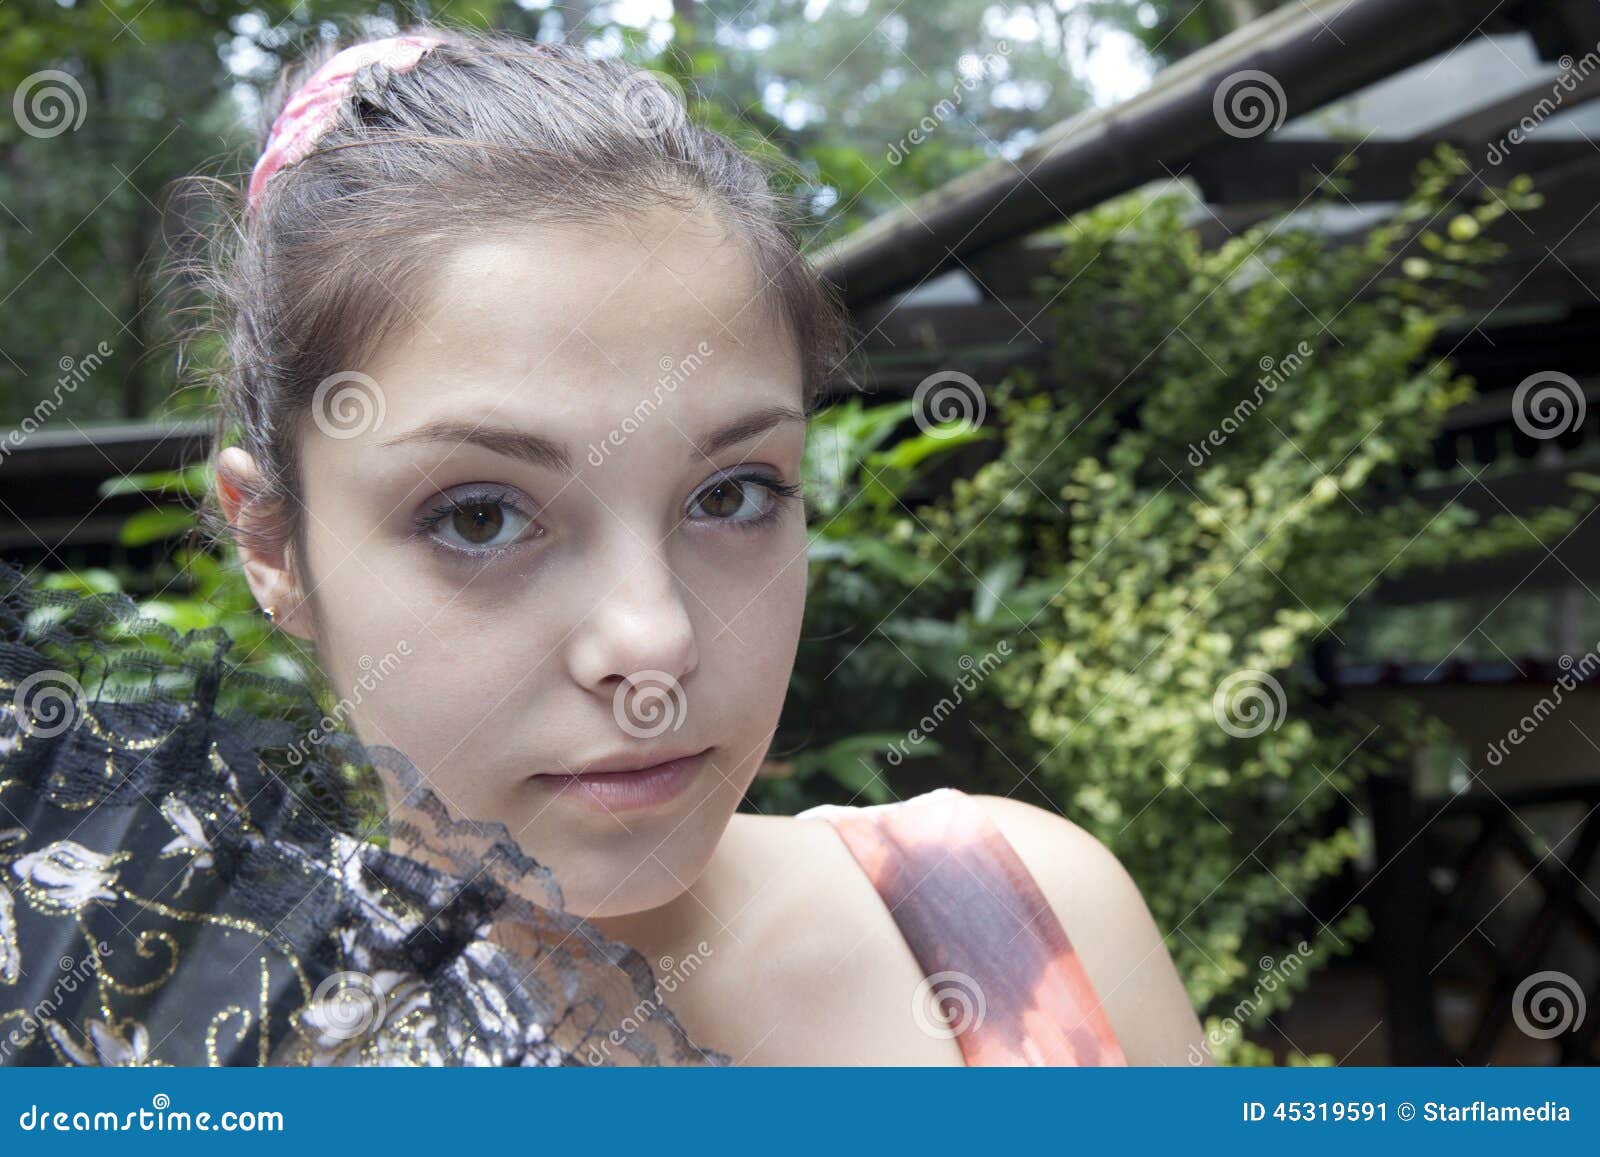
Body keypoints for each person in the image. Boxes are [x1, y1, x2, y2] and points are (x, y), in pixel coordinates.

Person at [8, 23, 1205, 1066]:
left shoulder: (1018, 922)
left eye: (733, 492)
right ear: (273, 541)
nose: (655, 640)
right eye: (479, 515)